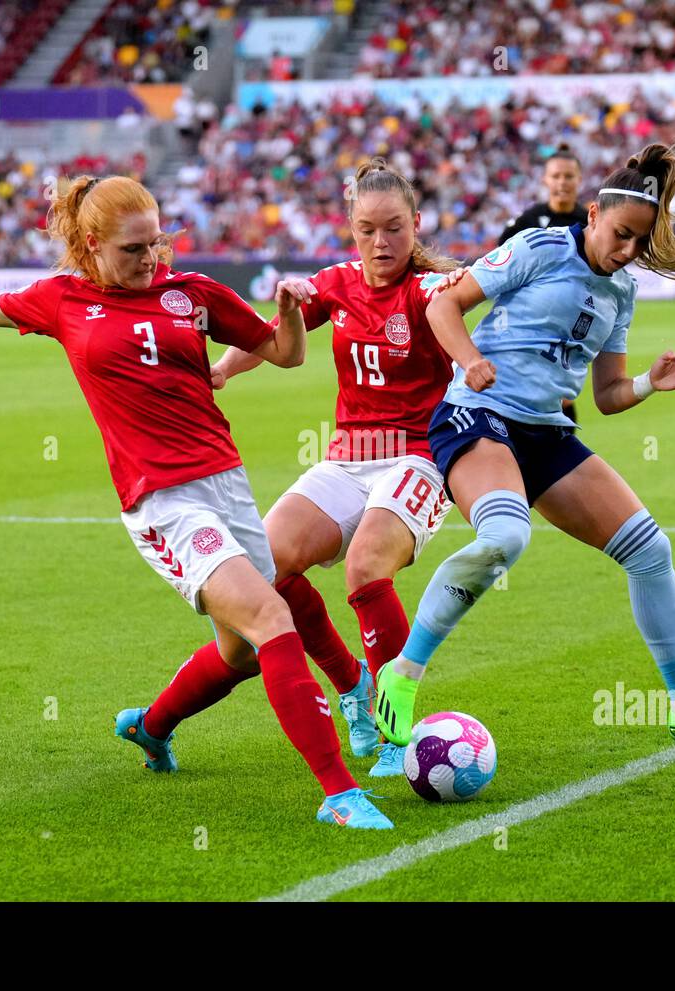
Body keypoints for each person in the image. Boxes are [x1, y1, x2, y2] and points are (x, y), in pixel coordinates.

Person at [0, 174, 392, 830]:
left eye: (157, 243)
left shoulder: (193, 294)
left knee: (242, 650)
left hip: (225, 483)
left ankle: (152, 726)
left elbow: (284, 353)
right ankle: (339, 792)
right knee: (270, 616)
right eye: (133, 249)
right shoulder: (61, 299)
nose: (151, 259)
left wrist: (287, 312)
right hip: (162, 502)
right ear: (91, 244)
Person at [370, 143, 675, 771]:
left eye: (639, 242)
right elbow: (442, 303)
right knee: (506, 536)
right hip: (477, 417)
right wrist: (469, 360)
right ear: (592, 214)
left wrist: (646, 383)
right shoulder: (538, 248)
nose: (627, 250)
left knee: (650, 550)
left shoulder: (621, 294)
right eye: (620, 235)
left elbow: (606, 397)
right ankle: (404, 672)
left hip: (544, 434)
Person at [208, 158, 461, 777]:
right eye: (368, 229)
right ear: (351, 228)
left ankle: (397, 729)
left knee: (364, 567)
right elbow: (273, 336)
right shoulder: (338, 282)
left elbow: (493, 303)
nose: (382, 243)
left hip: (419, 456)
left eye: (395, 229)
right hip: (348, 457)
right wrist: (220, 370)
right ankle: (349, 684)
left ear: (417, 224)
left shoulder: (435, 290)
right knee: (266, 566)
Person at [498, 146, 590, 435]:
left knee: (560, 404)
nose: (562, 182)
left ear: (579, 180)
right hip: (527, 328)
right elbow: (500, 269)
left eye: (569, 176)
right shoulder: (525, 223)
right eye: (556, 176)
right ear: (545, 180)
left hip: (570, 331)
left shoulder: (591, 223)